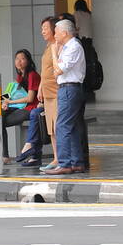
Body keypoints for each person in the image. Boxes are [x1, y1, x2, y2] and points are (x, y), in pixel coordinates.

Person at [43, 19, 86, 175]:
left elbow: (59, 69)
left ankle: (65, 163)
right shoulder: (68, 47)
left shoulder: (73, 46)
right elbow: (56, 71)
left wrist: (54, 53)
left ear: (64, 32)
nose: (54, 35)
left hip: (69, 88)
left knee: (61, 126)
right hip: (67, 88)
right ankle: (76, 162)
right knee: (71, 126)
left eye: (56, 32)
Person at [22, 16, 60, 168]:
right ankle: (56, 158)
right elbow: (45, 71)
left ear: (53, 29)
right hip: (48, 94)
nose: (42, 31)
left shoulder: (57, 46)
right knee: (51, 128)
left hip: (56, 91)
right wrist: (41, 88)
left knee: (58, 126)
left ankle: (61, 158)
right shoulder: (48, 46)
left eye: (45, 28)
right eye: (42, 28)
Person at [3, 48, 40, 134]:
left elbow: (30, 99)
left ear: (28, 61)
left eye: (22, 59)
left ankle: (1, 147)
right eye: (17, 59)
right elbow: (11, 92)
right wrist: (4, 102)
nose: (19, 61)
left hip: (31, 108)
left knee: (0, 122)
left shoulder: (32, 75)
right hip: (21, 106)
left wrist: (10, 102)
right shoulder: (20, 75)